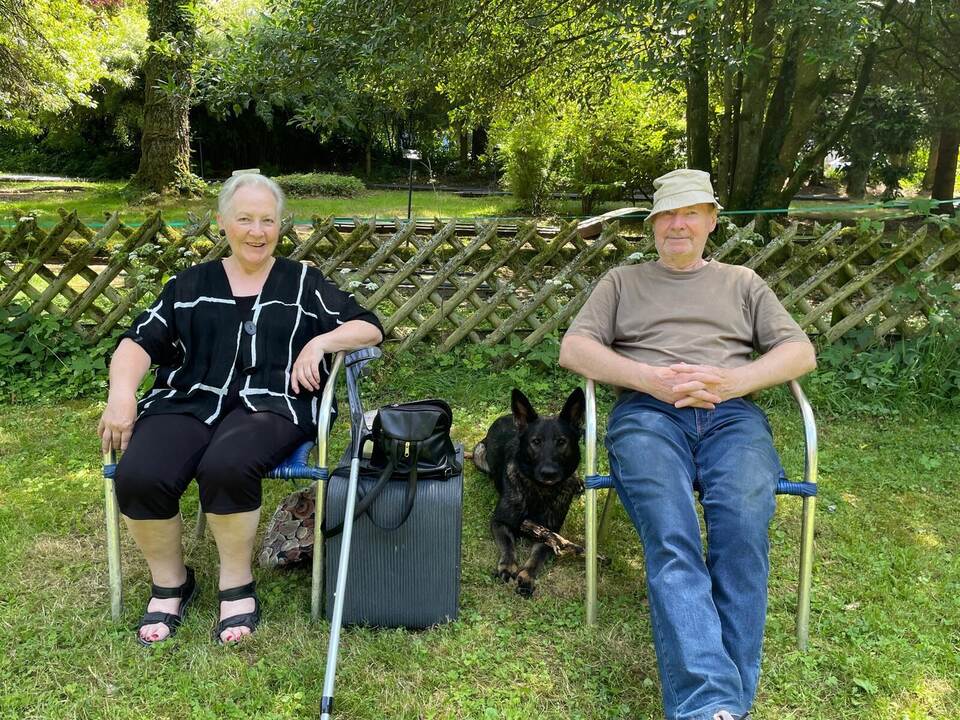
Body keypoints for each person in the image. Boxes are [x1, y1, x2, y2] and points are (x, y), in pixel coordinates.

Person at [559, 169, 816, 720]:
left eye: (690, 213)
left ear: (711, 221)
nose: (678, 224)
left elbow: (799, 352)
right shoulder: (621, 283)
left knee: (742, 529)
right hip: (649, 415)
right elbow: (575, 349)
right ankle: (712, 706)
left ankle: (718, 702)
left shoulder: (743, 282)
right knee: (672, 534)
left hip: (732, 417)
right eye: (667, 215)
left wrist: (732, 382)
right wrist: (647, 379)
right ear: (653, 225)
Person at [98, 173, 383, 645]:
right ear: (222, 223)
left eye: (267, 220)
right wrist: (122, 394)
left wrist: (320, 342)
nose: (257, 231)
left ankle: (236, 585)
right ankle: (171, 583)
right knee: (139, 473)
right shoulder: (190, 283)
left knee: (228, 465)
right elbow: (137, 341)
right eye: (245, 219)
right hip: (190, 400)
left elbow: (368, 327)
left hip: (275, 404)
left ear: (280, 225)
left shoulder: (303, 282)